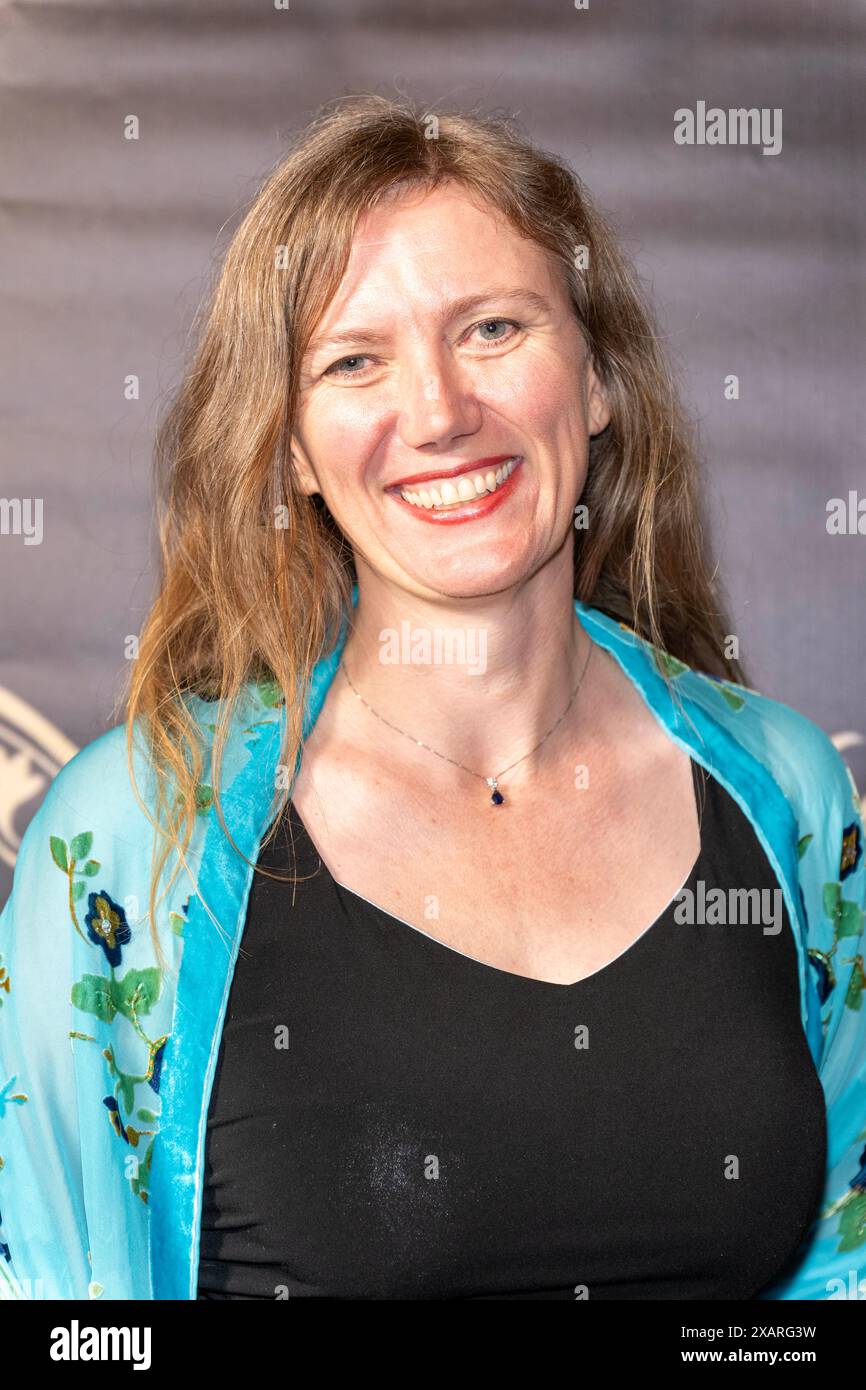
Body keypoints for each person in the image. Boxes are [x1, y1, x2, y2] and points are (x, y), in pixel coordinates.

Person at [1, 94, 864, 1301]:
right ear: (291, 447)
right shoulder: (133, 837)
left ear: (600, 377)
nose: (440, 412)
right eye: (354, 361)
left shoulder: (785, 789)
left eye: (493, 329)